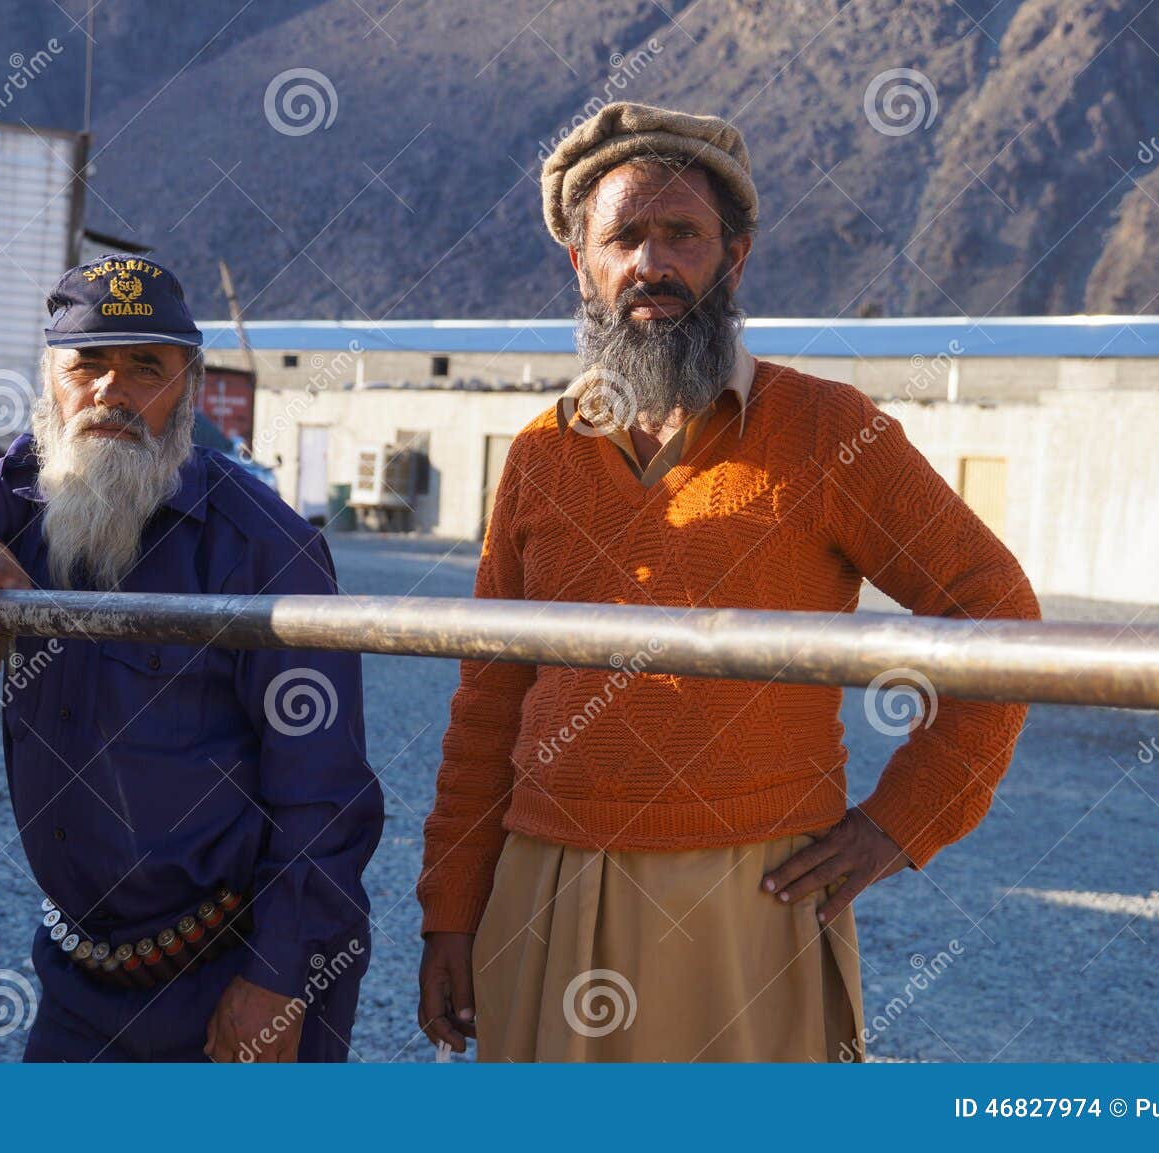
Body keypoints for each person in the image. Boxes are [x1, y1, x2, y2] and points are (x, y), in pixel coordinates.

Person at [416, 103, 1041, 1061]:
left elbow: (994, 605)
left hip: (750, 893)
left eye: (682, 235)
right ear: (580, 263)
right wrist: (452, 911)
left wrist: (901, 819)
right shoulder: (542, 453)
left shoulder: (828, 431)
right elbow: (490, 694)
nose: (651, 265)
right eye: (623, 236)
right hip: (544, 882)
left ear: (735, 259)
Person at [0, 255, 383, 1061]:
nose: (111, 392)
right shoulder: (29, 497)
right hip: (80, 973)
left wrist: (279, 976)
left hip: (234, 968)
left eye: (145, 367)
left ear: (187, 386)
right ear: (51, 379)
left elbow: (326, 792)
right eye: (87, 363)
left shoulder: (266, 549)